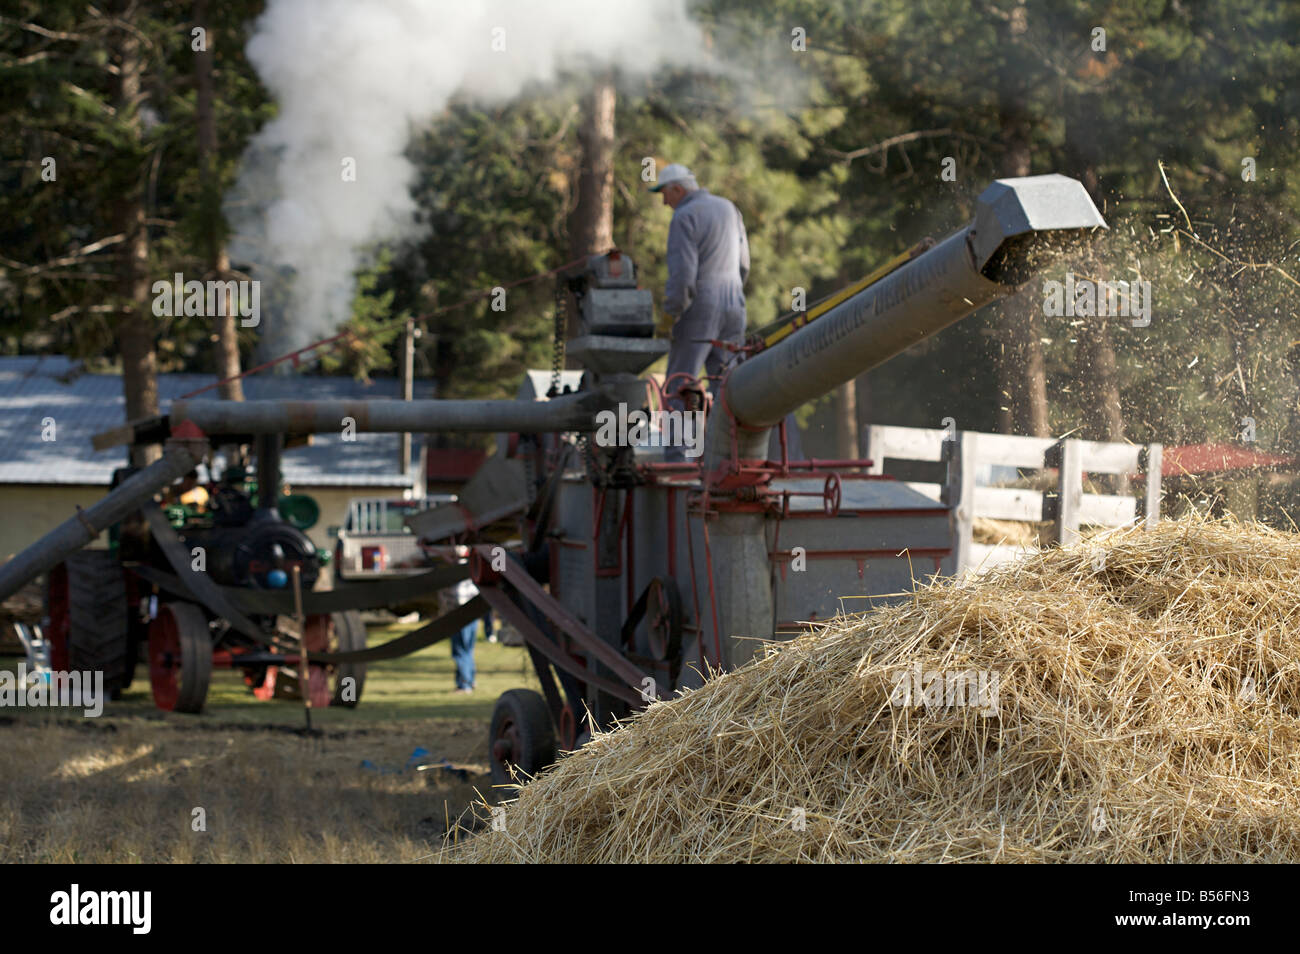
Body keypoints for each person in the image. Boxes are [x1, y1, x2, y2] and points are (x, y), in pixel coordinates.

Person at [650, 162, 750, 413]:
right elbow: (744, 265)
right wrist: (732, 295)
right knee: (732, 385)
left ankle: (678, 453)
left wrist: (670, 315)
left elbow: (683, 276)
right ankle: (730, 451)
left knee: (678, 385)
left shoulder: (685, 216)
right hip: (735, 306)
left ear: (677, 189)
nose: (664, 203)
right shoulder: (729, 208)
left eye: (664, 195)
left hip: (700, 308)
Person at [443, 546, 479, 693]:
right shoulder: (473, 568)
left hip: (459, 614)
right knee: (468, 648)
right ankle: (470, 679)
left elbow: (456, 596)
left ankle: (464, 684)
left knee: (459, 650)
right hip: (473, 613)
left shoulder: (456, 572)